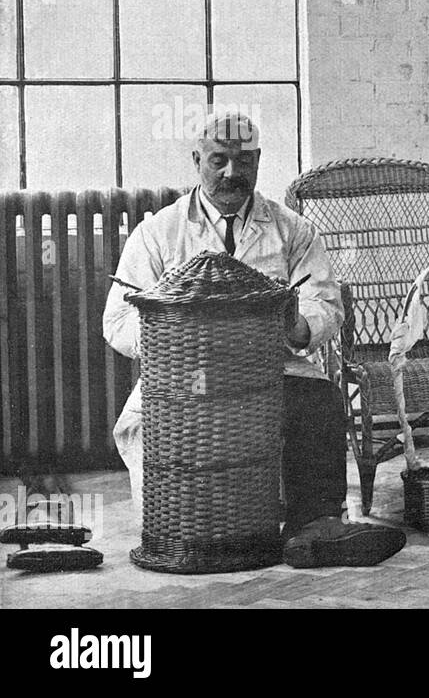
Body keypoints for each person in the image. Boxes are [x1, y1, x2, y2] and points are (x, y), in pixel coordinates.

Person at [103, 113, 406, 567]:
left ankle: (314, 528)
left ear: (259, 161)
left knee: (319, 400)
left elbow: (326, 304)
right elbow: (118, 318)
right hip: (189, 379)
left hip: (272, 370)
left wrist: (295, 325)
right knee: (156, 425)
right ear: (196, 161)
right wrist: (175, 339)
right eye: (218, 160)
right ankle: (189, 533)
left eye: (243, 161)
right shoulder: (158, 233)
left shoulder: (291, 230)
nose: (231, 173)